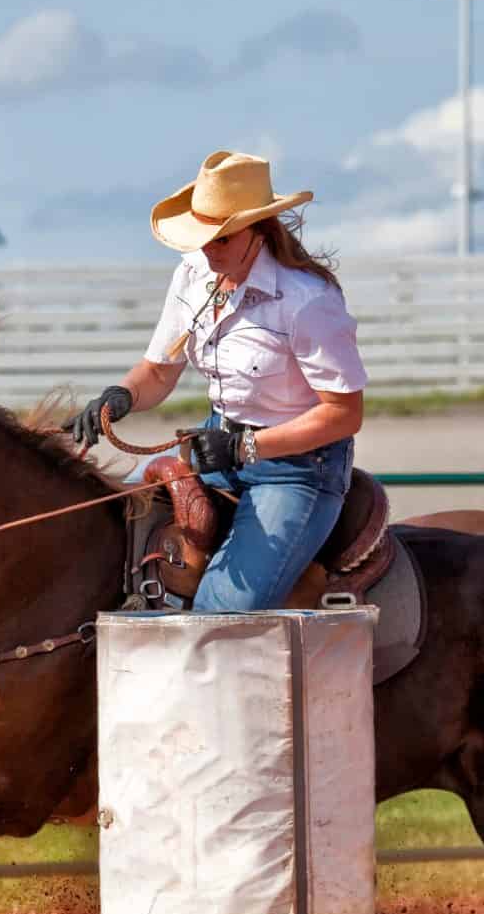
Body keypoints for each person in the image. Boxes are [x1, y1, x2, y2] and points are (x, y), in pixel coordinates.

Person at [68, 150, 368, 612]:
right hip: (216, 445)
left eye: (223, 238)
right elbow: (158, 371)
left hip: (297, 472)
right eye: (204, 236)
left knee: (221, 615)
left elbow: (343, 414)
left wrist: (247, 448)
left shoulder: (307, 301)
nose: (210, 249)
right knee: (104, 521)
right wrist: (120, 396)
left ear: (259, 231)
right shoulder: (193, 274)